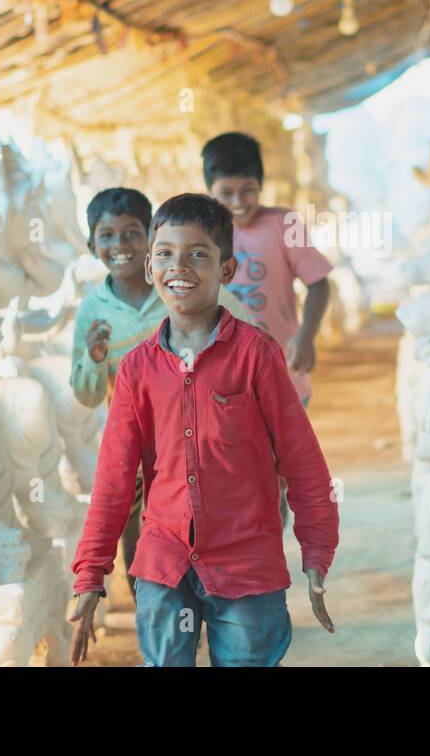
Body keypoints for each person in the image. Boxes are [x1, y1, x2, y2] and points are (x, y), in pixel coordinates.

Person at [69, 194, 339, 667]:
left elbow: (301, 459)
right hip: (164, 563)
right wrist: (91, 573)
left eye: (198, 254)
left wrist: (317, 549)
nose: (180, 266)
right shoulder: (136, 370)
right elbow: (113, 481)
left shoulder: (257, 355)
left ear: (227, 270)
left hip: (247, 564)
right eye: (166, 253)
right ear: (151, 266)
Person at [69, 187, 249, 599]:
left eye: (132, 233)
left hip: (200, 434)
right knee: (139, 534)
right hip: (134, 444)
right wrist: (95, 359)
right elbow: (85, 395)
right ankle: (154, 609)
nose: (120, 245)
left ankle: (210, 607)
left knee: (200, 521)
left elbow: (244, 332)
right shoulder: (93, 312)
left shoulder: (183, 287)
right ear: (91, 244)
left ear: (151, 240)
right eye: (107, 236)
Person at [201, 132, 333, 527]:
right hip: (220, 380)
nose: (239, 202)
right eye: (227, 192)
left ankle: (266, 567)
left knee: (275, 477)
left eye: (249, 190)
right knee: (234, 480)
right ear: (208, 188)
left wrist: (305, 336)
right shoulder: (199, 229)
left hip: (281, 374)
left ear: (262, 185)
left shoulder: (284, 223)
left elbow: (319, 283)